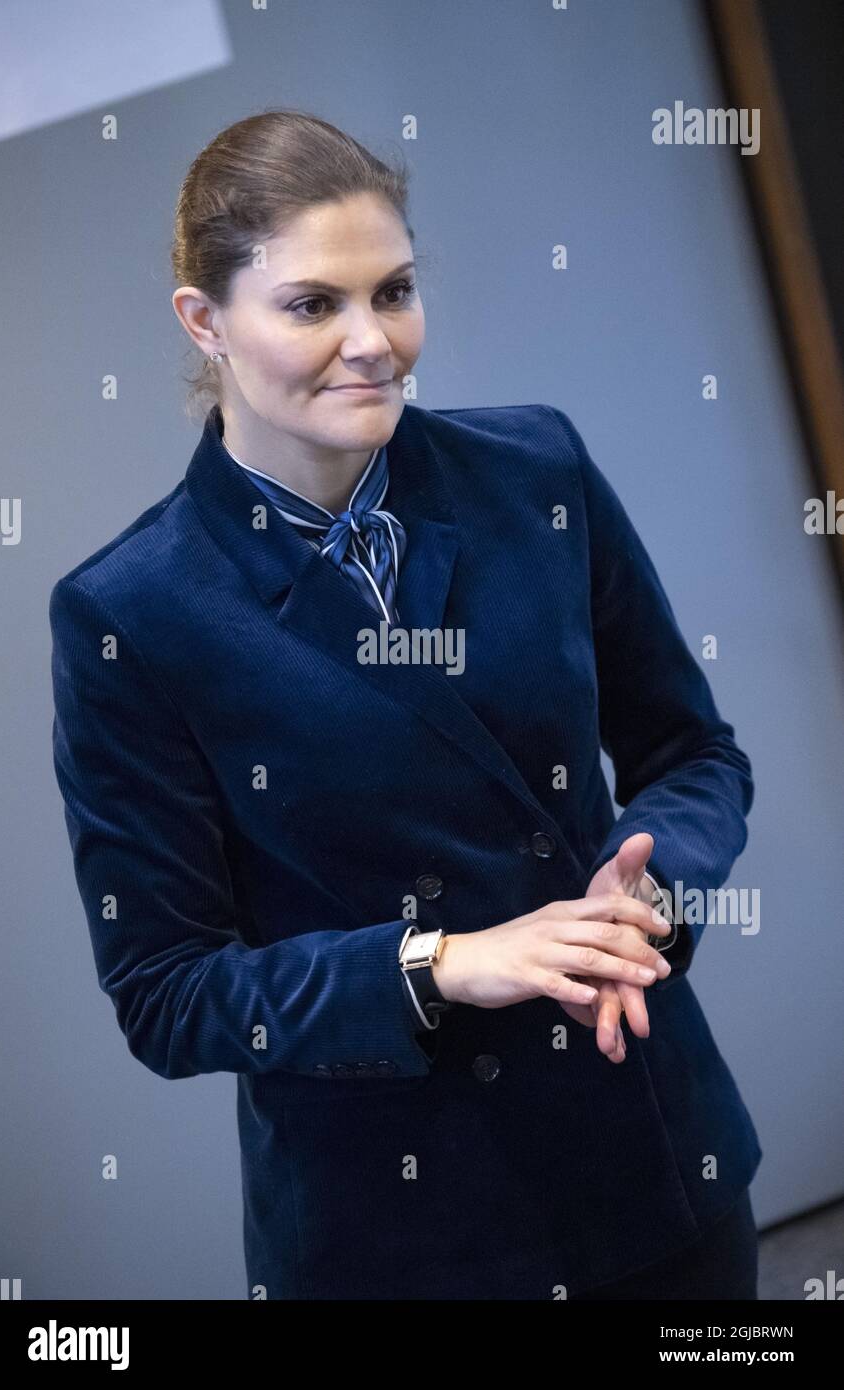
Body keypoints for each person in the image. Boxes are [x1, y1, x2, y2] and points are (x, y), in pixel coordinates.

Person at [49, 108, 762, 1301]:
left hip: (653, 1161)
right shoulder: (132, 610)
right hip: (401, 1235)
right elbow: (168, 990)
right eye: (312, 304)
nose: (373, 341)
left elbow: (692, 753)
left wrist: (641, 892)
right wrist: (441, 963)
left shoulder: (534, 469)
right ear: (203, 321)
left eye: (395, 290)